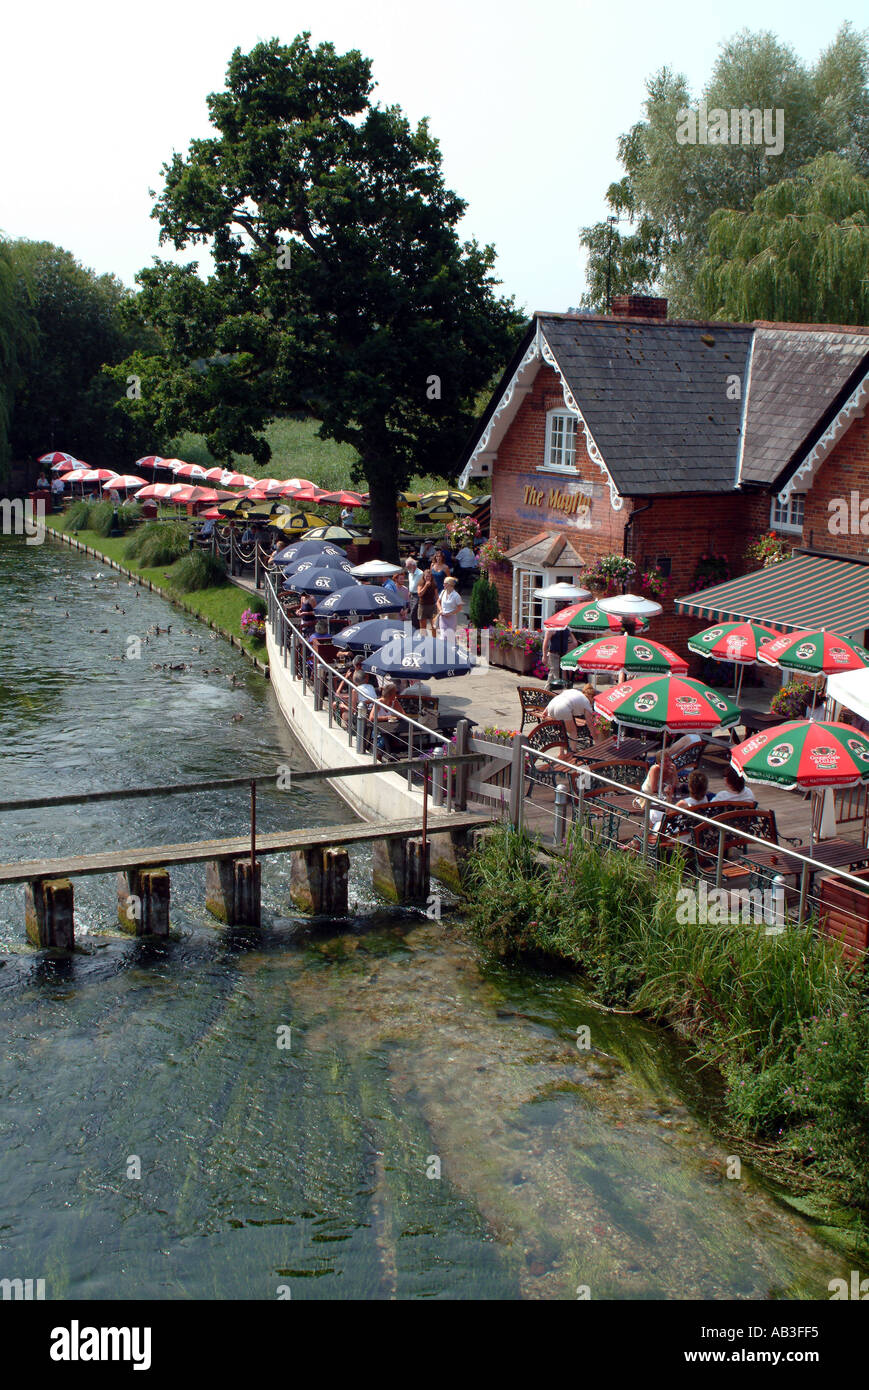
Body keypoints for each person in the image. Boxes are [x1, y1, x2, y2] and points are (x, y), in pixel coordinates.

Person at [545, 684, 599, 752]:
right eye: (593, 700)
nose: (593, 702)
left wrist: (546, 710)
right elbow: (590, 724)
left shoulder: (575, 692)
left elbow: (560, 696)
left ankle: (561, 753)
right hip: (562, 708)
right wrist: (596, 740)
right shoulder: (586, 702)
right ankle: (572, 754)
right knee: (573, 732)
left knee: (563, 730)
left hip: (551, 706)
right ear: (591, 696)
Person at [541, 605, 574, 688]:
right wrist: (544, 656)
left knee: (552, 677)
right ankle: (561, 695)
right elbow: (546, 641)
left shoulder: (566, 627)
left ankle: (545, 693)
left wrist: (568, 650)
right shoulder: (553, 627)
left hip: (563, 655)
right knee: (560, 678)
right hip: (554, 655)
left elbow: (574, 642)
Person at [416, 566, 438, 636]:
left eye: (429, 577)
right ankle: (423, 640)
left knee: (434, 625)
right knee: (423, 626)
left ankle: (434, 641)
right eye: (426, 576)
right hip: (423, 606)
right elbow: (419, 594)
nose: (428, 578)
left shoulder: (434, 584)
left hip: (432, 606)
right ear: (423, 577)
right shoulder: (420, 583)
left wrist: (438, 606)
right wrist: (425, 586)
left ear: (431, 577)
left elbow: (437, 596)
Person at [405, 557, 422, 628]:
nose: (407, 568)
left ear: (414, 566)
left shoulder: (420, 573)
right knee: (411, 612)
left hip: (417, 595)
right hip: (411, 594)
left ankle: (417, 628)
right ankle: (414, 627)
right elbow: (411, 583)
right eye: (407, 567)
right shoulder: (409, 572)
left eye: (408, 566)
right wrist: (409, 591)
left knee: (413, 613)